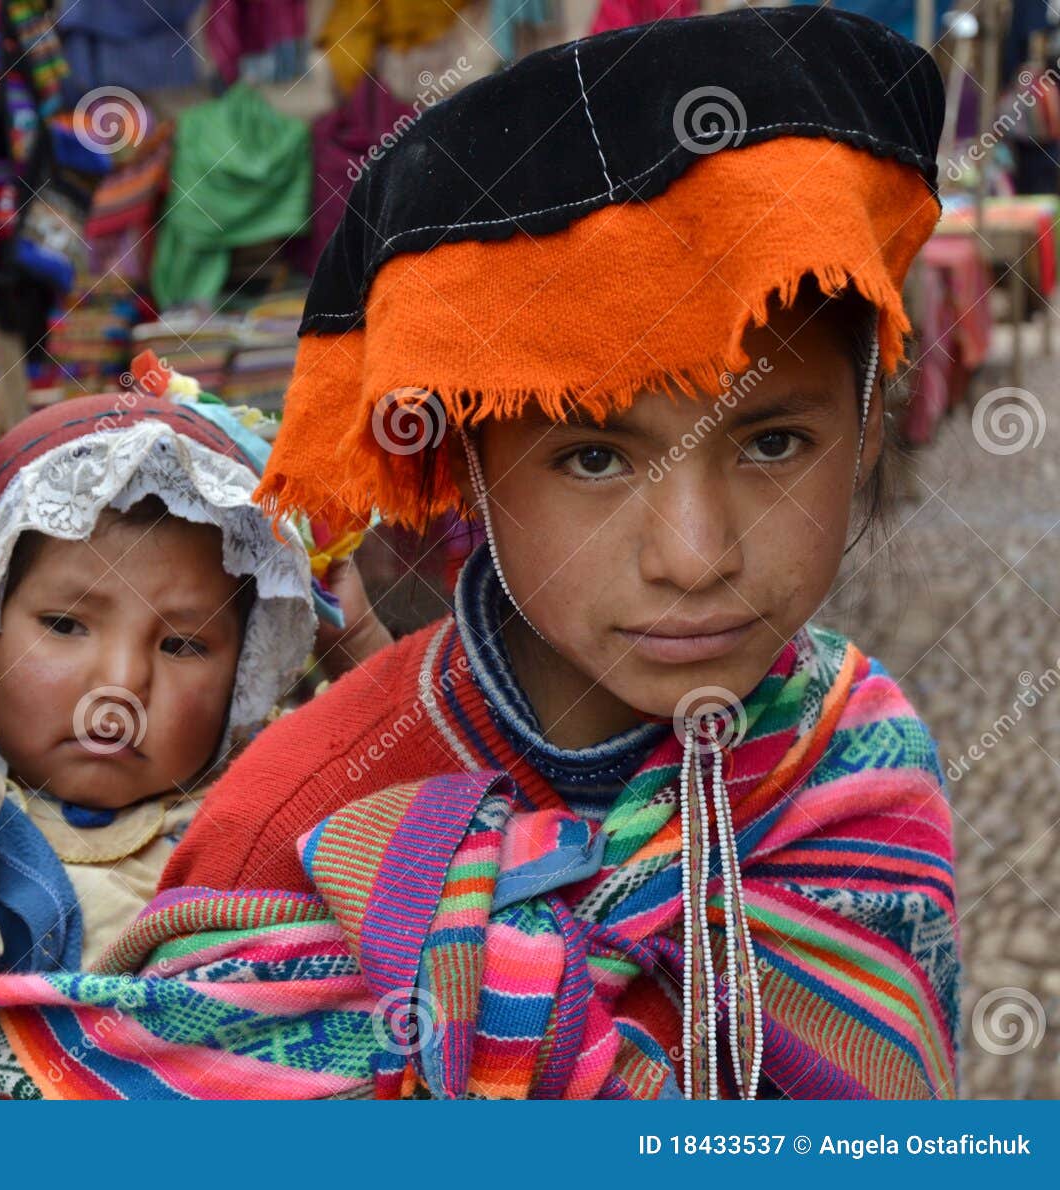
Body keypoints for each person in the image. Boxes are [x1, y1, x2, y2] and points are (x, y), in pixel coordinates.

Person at [154, 5, 962, 1098]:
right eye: (590, 457)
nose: (693, 556)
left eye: (772, 440)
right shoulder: (284, 833)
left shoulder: (858, 766)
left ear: (866, 424)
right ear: (466, 458)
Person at [0, 381, 381, 1018]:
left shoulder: (274, 804)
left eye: (182, 644)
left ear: (247, 676)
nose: (121, 682)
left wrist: (356, 643)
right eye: (65, 625)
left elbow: (439, 825)